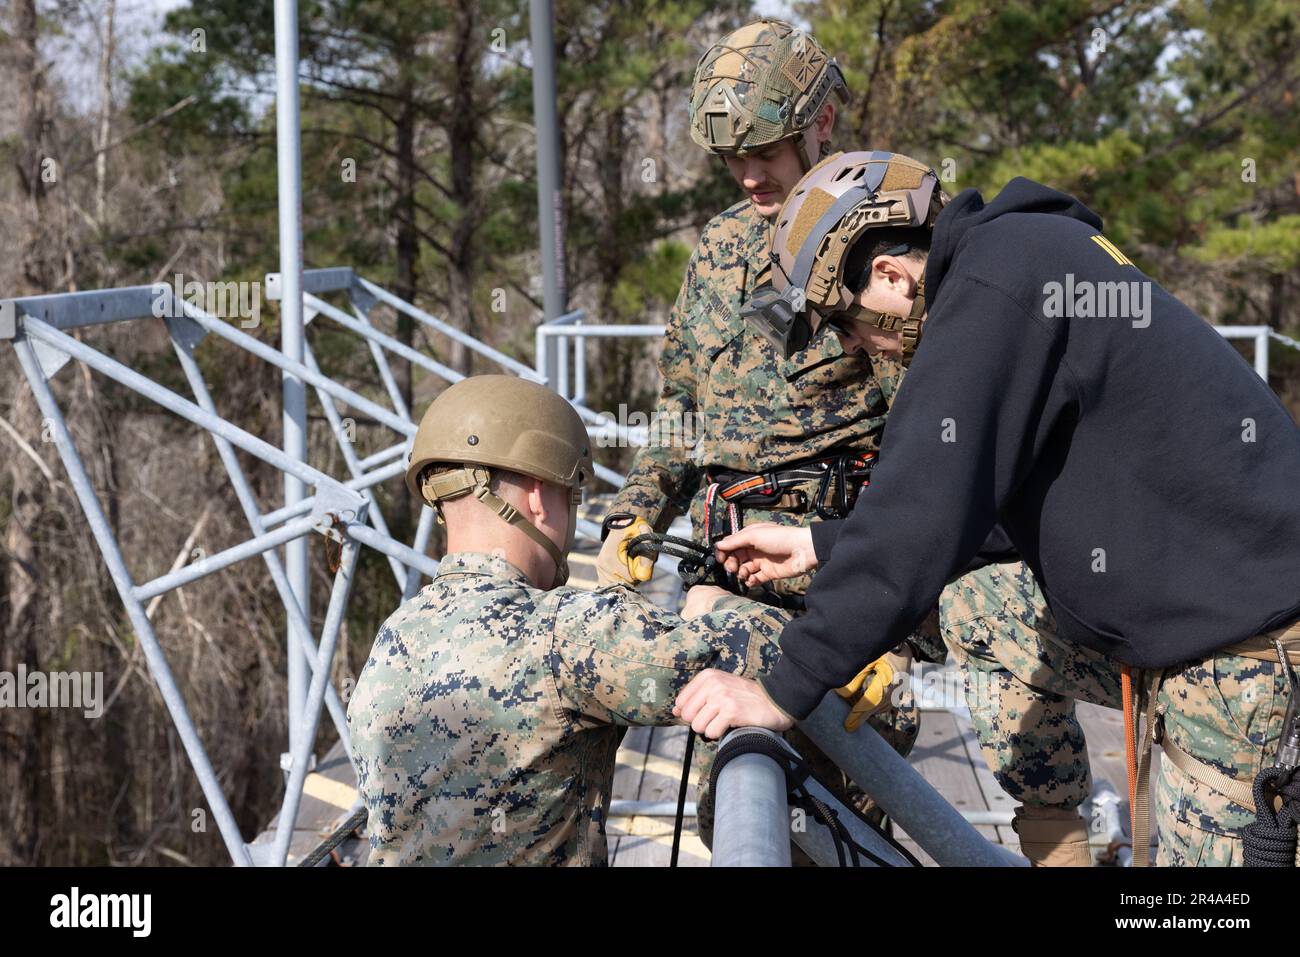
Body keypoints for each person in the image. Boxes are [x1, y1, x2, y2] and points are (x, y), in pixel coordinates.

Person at [677, 149, 1300, 866]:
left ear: (888, 276)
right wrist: (823, 542)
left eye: (844, 323)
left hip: (1248, 657)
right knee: (982, 607)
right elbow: (983, 507)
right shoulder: (1022, 256)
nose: (854, 344)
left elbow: (921, 507)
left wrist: (780, 690)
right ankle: (1061, 853)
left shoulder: (989, 290)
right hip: (1206, 617)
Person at [595, 16, 937, 826]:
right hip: (729, 582)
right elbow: (682, 404)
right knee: (743, 813)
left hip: (844, 588)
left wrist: (903, 629)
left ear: (819, 125)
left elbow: (932, 451)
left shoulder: (881, 244)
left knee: (846, 823)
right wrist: (636, 511)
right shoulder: (717, 250)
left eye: (766, 153)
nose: (748, 176)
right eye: (731, 159)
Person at [347, 375, 787, 866]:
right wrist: (712, 604)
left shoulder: (393, 636)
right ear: (538, 496)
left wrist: (612, 599)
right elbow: (773, 648)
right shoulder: (562, 632)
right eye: (571, 496)